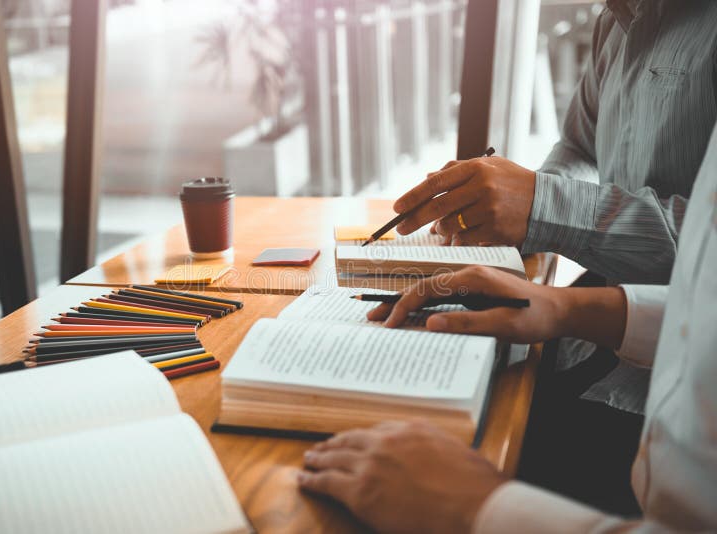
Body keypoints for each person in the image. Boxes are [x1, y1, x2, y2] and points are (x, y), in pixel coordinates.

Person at [296, 121, 717, 533]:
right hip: (614, 356)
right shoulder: (612, 45)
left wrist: (481, 507)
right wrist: (567, 307)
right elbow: (579, 145)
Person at [391, 0, 717, 511]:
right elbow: (580, 147)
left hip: (659, 394)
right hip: (598, 316)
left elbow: (707, 252)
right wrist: (523, 205)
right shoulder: (616, 18)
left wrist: (545, 205)